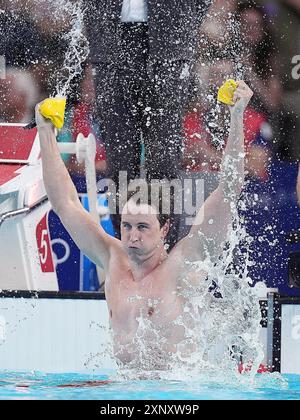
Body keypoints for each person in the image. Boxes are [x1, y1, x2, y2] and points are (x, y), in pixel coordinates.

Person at [36, 80, 253, 372]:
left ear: (164, 230)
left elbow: (229, 189)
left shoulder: (185, 262)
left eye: (142, 227)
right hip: (124, 388)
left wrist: (236, 118)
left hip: (175, 392)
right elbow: (65, 203)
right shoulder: (113, 259)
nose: (131, 236)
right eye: (126, 226)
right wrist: (45, 131)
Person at [83, 0, 213, 243]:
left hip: (169, 41)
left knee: (163, 160)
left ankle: (164, 252)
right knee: (119, 161)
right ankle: (128, 251)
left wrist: (183, 23)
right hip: (109, 40)